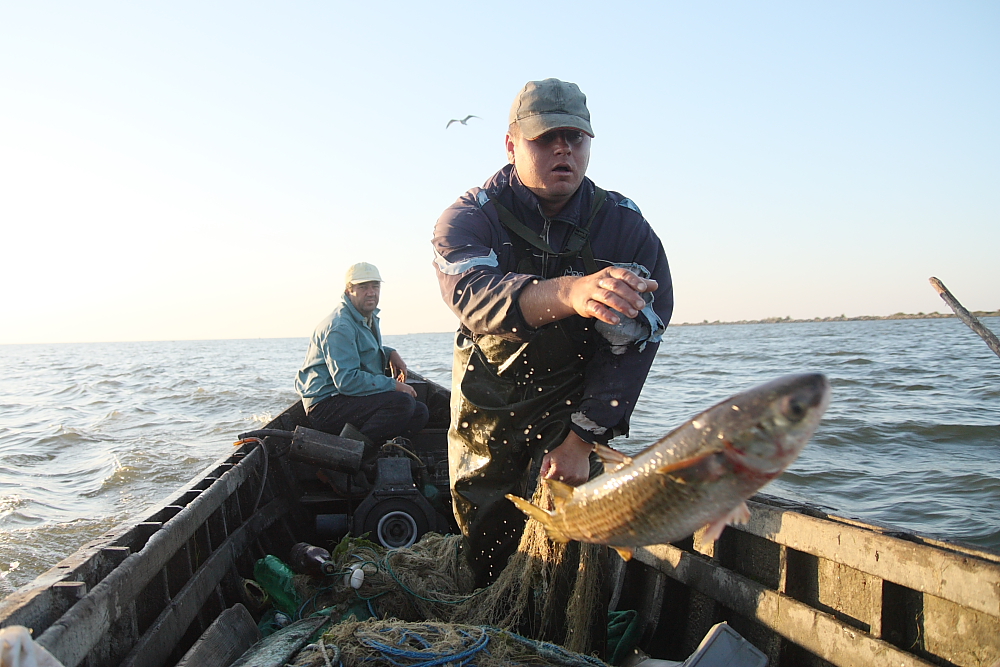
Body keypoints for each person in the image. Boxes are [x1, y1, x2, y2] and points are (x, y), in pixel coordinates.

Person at [431, 78, 674, 587]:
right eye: (545, 138)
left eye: (575, 137)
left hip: (575, 399)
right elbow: (473, 296)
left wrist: (582, 439)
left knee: (577, 542)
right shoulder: (467, 218)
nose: (563, 149)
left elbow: (637, 343)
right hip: (489, 402)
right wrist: (571, 292)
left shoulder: (626, 228)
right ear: (511, 144)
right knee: (485, 533)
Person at [295, 262, 428, 446]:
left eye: (375, 286)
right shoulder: (340, 326)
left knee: (420, 411)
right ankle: (350, 452)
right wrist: (393, 385)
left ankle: (383, 452)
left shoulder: (365, 317)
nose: (371, 292)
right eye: (363, 287)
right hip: (325, 406)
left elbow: (360, 350)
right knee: (402, 403)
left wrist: (390, 353)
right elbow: (347, 381)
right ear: (349, 291)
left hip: (344, 397)